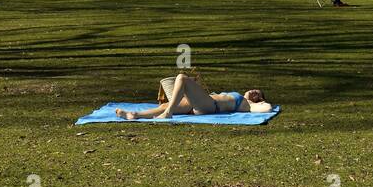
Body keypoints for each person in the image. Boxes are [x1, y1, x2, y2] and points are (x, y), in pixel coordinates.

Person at [115, 72, 273, 121]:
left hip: (211, 107)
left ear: (258, 99)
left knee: (182, 77)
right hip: (203, 103)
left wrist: (262, 102)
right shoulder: (237, 94)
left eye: (257, 94)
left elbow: (267, 109)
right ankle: (135, 115)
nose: (254, 92)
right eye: (254, 89)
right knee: (164, 106)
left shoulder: (248, 104)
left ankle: (168, 114)